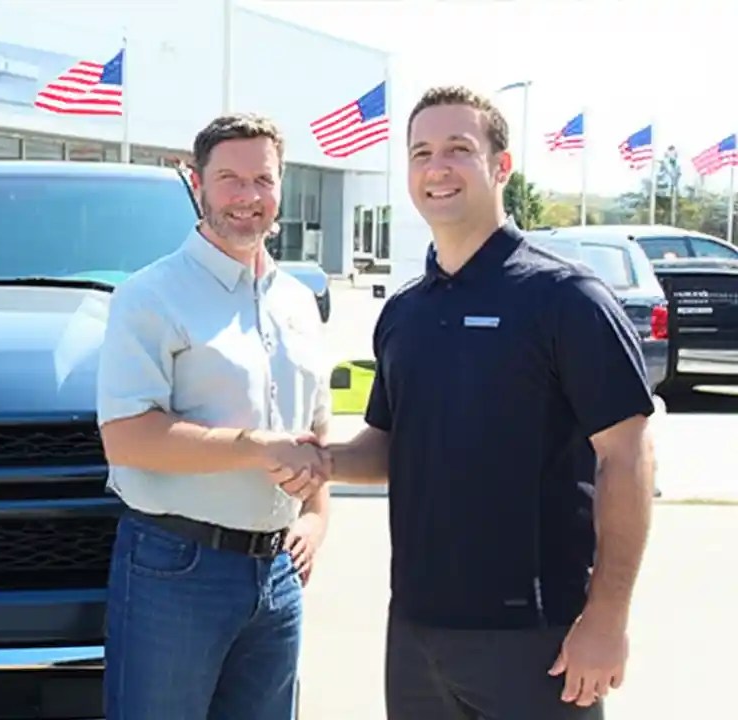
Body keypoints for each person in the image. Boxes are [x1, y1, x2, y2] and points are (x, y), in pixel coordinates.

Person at [324, 85, 657, 719]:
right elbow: (389, 447)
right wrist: (318, 461)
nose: (437, 168)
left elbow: (628, 457)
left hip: (538, 637)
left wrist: (607, 616)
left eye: (459, 149)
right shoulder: (404, 313)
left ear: (501, 166)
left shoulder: (566, 298)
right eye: (421, 153)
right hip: (416, 634)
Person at [96, 113, 335, 719]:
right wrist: (255, 446)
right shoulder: (150, 296)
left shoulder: (297, 302)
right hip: (177, 567)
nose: (248, 196)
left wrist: (316, 517)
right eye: (230, 178)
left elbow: (315, 431)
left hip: (277, 575)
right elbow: (127, 438)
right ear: (197, 183)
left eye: (263, 179)